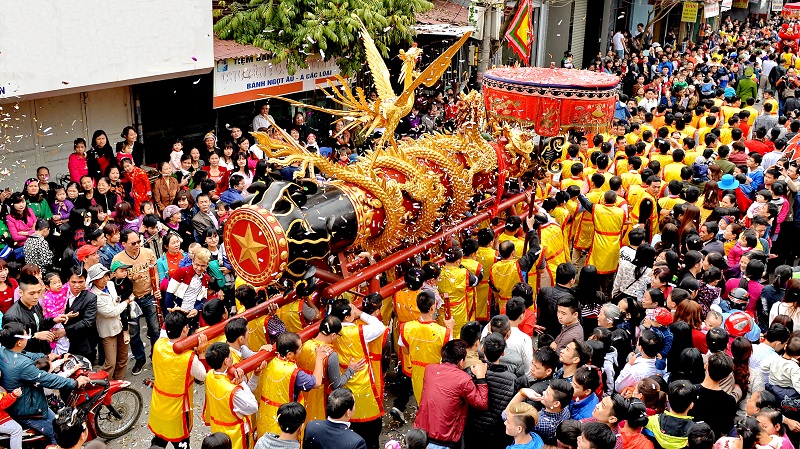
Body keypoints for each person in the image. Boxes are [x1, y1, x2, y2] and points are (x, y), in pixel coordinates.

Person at [0, 322, 90, 445]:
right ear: (19, 342)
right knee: (58, 435)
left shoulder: (4, 351)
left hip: (20, 403)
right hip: (29, 411)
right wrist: (74, 383)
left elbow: (26, 355)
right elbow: (49, 379)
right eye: (26, 337)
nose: (28, 339)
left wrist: (46, 356)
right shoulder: (22, 365)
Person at [329, 299, 387, 449]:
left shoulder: (330, 331)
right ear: (348, 317)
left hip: (342, 382)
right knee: (371, 428)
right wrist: (360, 313)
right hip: (363, 383)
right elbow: (379, 326)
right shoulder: (358, 331)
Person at [148, 312, 209, 449]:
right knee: (182, 445)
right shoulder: (189, 358)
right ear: (184, 330)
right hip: (178, 412)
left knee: (158, 441)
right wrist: (202, 353)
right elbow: (204, 376)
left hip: (159, 407)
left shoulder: (158, 345)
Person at [415, 339, 488, 449]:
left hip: (422, 434)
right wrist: (481, 377)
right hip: (445, 438)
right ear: (461, 362)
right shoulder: (463, 379)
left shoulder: (429, 370)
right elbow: (482, 403)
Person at [257, 332, 328, 438]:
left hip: (265, 419)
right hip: (285, 425)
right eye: (300, 348)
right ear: (289, 354)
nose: (302, 350)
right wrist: (319, 359)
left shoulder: (270, 360)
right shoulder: (294, 373)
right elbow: (317, 382)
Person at [296, 316, 362, 424]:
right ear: (333, 335)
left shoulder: (304, 345)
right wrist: (350, 370)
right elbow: (336, 384)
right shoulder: (330, 354)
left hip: (302, 394)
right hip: (319, 399)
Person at [112, 229, 160, 376]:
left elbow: (156, 272)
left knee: (155, 329)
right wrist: (131, 279)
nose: (137, 245)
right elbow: (116, 280)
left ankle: (156, 357)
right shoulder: (118, 259)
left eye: (139, 242)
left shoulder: (148, 253)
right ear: (124, 243)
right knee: (134, 333)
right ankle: (140, 359)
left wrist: (156, 289)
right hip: (131, 300)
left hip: (149, 296)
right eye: (133, 243)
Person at [465, 332, 521, 449]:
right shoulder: (512, 379)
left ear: (483, 349)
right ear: (503, 353)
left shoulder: (471, 372)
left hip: (473, 429)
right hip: (497, 432)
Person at [398, 290, 452, 406]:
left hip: (417, 374)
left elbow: (406, 351)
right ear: (433, 308)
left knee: (421, 404)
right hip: (436, 375)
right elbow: (451, 356)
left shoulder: (407, 327)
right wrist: (450, 329)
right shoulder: (443, 332)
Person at [203, 342, 260, 449]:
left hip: (218, 428)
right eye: (230, 356)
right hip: (236, 433)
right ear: (226, 361)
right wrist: (242, 382)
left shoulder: (210, 375)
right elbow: (253, 407)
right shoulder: (233, 390)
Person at [2, 274, 70, 354]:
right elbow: (13, 343)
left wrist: (53, 320)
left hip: (41, 353)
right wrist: (35, 336)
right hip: (27, 359)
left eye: (38, 292)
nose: (36, 296)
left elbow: (40, 324)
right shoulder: (12, 316)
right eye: (32, 293)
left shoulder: (35, 304)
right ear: (20, 293)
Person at [88, 263, 132, 380]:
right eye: (101, 277)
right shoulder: (94, 296)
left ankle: (119, 381)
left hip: (121, 325)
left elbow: (116, 300)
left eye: (106, 275)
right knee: (110, 362)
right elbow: (111, 312)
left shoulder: (111, 284)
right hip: (108, 331)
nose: (105, 279)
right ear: (94, 280)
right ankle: (102, 384)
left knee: (123, 358)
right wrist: (126, 302)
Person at [691, 352, 737, 440]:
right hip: (712, 441)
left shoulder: (691, 391)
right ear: (726, 375)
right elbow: (726, 428)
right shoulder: (729, 401)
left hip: (690, 439)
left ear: (706, 366)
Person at [63, 266, 98, 361]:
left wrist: (65, 331)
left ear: (85, 281)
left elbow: (88, 321)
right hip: (62, 345)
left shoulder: (90, 298)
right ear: (68, 280)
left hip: (83, 344)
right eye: (73, 282)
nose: (77, 285)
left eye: (80, 282)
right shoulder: (61, 294)